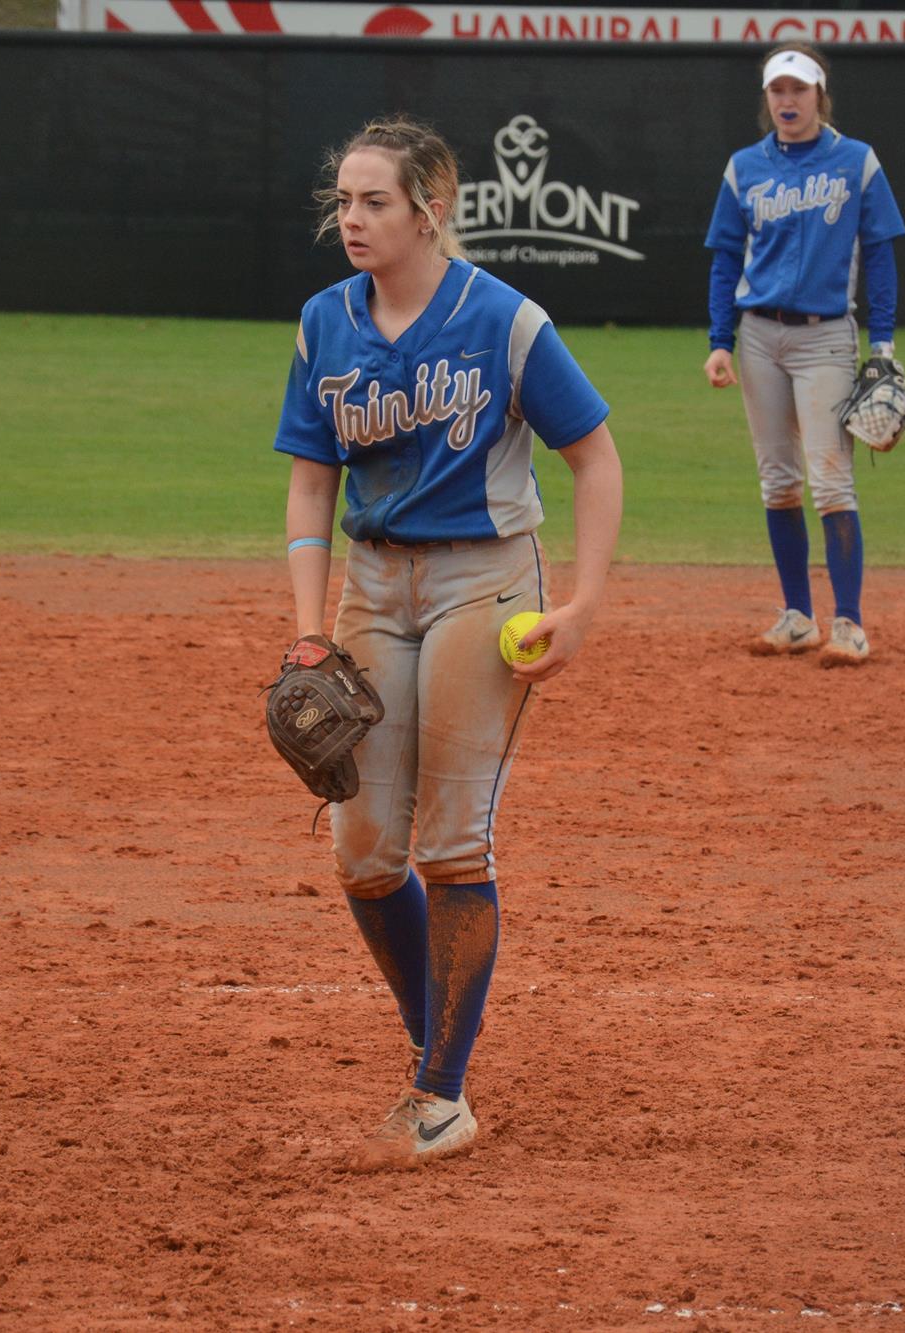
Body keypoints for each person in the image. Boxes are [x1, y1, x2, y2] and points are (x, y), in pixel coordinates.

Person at [273, 116, 624, 1170]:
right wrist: (304, 629)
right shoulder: (324, 324)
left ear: (431, 207)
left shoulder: (503, 321)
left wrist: (582, 605)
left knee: (448, 840)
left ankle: (440, 1090)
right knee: (364, 852)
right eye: (341, 200)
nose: (351, 218)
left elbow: (593, 458)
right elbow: (308, 483)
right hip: (372, 587)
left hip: (485, 580)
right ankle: (437, 1044)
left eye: (373, 200)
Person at [702, 42, 905, 666]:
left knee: (832, 482)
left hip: (825, 337)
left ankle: (849, 623)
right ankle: (797, 617)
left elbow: (880, 255)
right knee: (778, 482)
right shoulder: (745, 168)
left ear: (820, 94)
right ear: (767, 99)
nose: (787, 101)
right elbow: (724, 258)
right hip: (760, 334)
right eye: (777, 91)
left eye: (799, 89)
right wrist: (720, 341)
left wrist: (885, 341)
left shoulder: (856, 163)